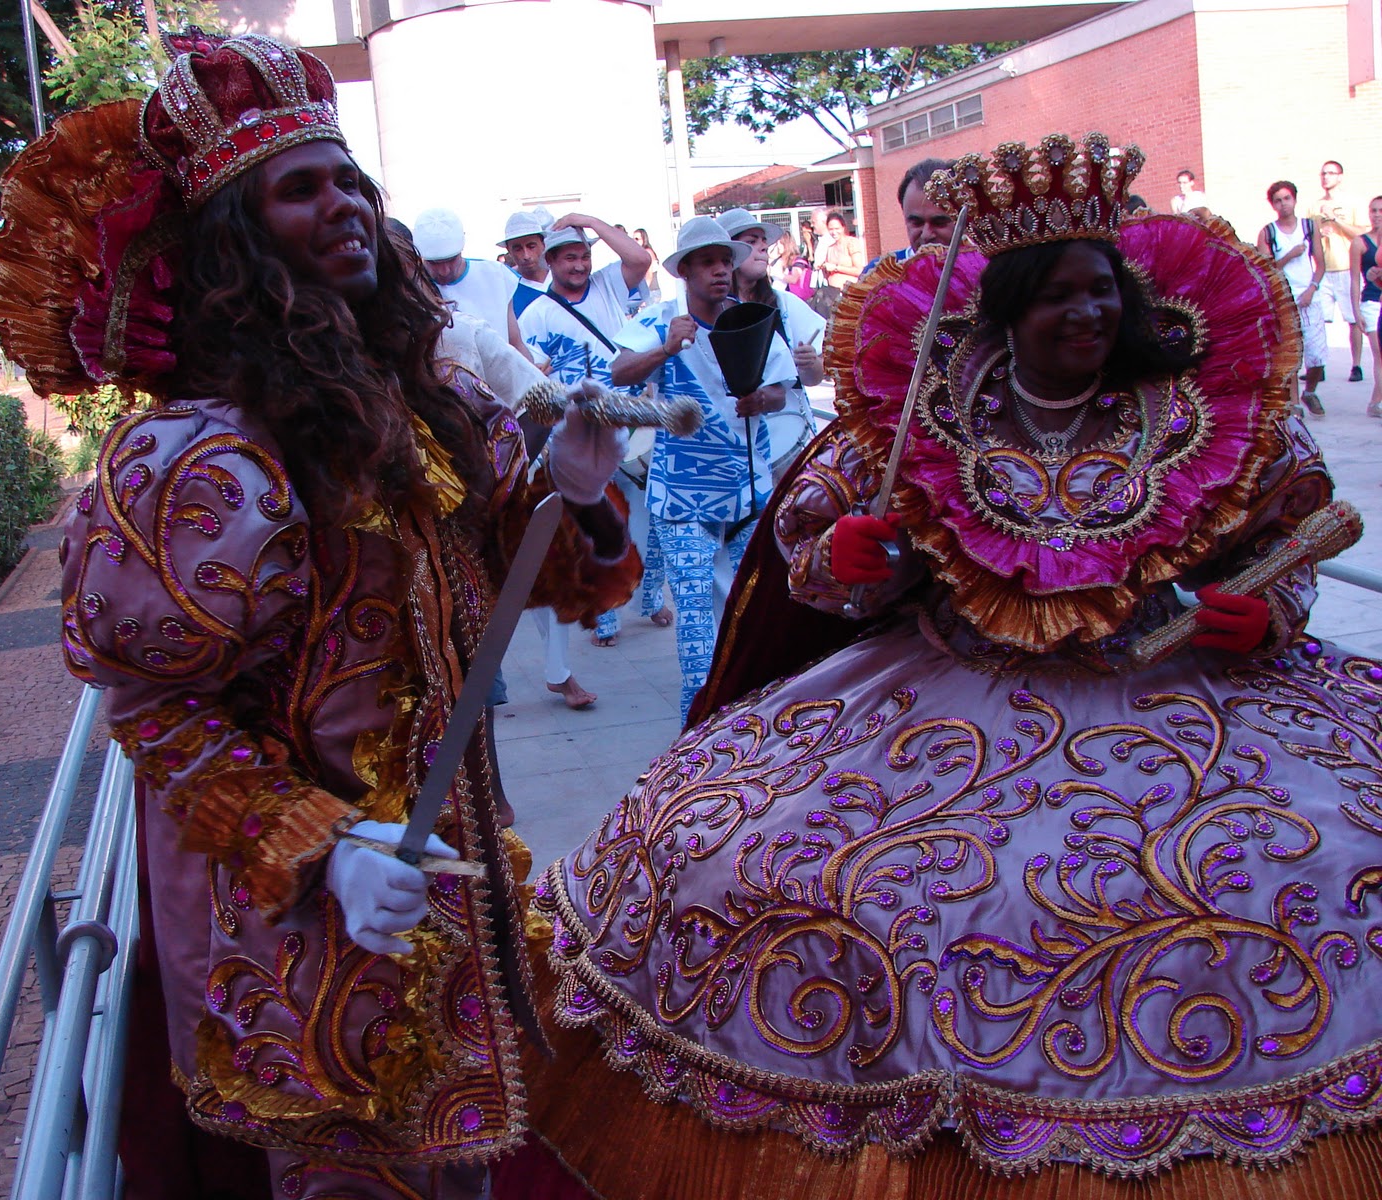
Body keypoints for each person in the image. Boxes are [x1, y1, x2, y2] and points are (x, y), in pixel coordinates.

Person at [512, 133, 1382, 1200]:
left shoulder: (1208, 410)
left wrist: (1269, 613)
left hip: (1183, 692)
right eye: (1059, 295)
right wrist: (845, 561)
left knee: (1312, 864)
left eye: (1103, 292)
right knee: (751, 858)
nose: (1089, 314)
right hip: (940, 697)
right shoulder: (918, 406)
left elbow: (1293, 523)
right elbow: (821, 547)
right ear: (1005, 308)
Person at [0, 32, 641, 1200]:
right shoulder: (201, 457)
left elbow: (501, 584)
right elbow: (154, 710)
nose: (339, 203)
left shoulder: (430, 406)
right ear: (238, 240)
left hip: (457, 871)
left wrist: (576, 504)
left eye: (347, 179)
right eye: (300, 187)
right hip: (302, 923)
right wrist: (321, 846)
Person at [608, 216, 794, 720]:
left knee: (752, 608)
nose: (720, 272)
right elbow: (617, 374)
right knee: (694, 620)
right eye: (708, 263)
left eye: (725, 262)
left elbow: (783, 390)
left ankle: (747, 713)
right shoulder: (655, 321)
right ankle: (698, 725)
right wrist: (666, 349)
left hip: (747, 492)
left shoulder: (754, 322)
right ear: (684, 271)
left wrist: (764, 399)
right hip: (680, 499)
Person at [518, 216, 652, 652]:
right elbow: (532, 377)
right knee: (599, 519)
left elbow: (638, 257)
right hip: (579, 435)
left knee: (641, 514)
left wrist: (586, 221)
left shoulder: (610, 285)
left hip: (629, 420)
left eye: (584, 255)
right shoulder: (535, 314)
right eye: (569, 256)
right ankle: (605, 610)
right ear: (550, 260)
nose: (579, 265)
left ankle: (645, 595)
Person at [715, 206, 826, 480]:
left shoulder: (786, 305)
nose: (763, 248)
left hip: (791, 445)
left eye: (763, 242)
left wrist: (811, 364)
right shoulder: (709, 311)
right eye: (751, 242)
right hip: (731, 448)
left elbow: (813, 378)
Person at [1257, 180, 1326, 414]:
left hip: (1310, 298)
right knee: (1291, 352)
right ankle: (1294, 401)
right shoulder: (1268, 233)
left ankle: (1310, 391)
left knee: (1316, 355)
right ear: (1273, 205)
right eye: (1278, 200)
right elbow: (1266, 269)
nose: (1284, 204)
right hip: (1284, 300)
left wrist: (1312, 288)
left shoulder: (1309, 227)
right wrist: (1289, 255)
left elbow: (1320, 265)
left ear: (1294, 200)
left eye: (1287, 198)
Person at [413, 207, 523, 352]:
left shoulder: (496, 275)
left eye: (451, 260)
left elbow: (516, 344)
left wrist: (532, 373)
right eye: (434, 263)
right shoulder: (411, 285)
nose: (444, 271)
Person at [1311, 159, 1367, 382]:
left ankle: (1356, 365)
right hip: (1323, 270)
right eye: (1323, 173)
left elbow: (1361, 234)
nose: (1326, 177)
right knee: (1319, 320)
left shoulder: (1352, 202)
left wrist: (1336, 220)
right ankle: (1319, 365)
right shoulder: (1314, 206)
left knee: (1353, 319)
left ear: (1340, 177)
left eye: (1331, 173)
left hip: (1346, 268)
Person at [1351, 194, 1382, 417]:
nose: (1377, 215)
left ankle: (1375, 400)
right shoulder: (1360, 243)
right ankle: (1376, 403)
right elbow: (1353, 279)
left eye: (1381, 210)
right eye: (1374, 210)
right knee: (1379, 354)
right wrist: (1356, 311)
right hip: (1371, 301)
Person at [500, 207, 552, 319]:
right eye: (518, 249)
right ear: (509, 250)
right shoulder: (507, 290)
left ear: (542, 244)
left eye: (531, 246)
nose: (526, 256)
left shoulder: (562, 279)